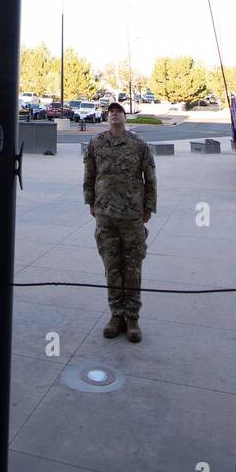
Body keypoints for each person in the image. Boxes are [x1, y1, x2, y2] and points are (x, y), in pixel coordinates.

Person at [83, 100, 157, 343]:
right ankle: (116, 315)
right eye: (111, 112)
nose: (114, 114)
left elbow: (150, 177)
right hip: (105, 215)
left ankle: (132, 317)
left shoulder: (139, 144)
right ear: (107, 118)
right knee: (112, 267)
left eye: (119, 112)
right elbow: (89, 174)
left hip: (132, 216)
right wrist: (90, 201)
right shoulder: (96, 143)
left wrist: (148, 207)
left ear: (125, 117)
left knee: (133, 268)